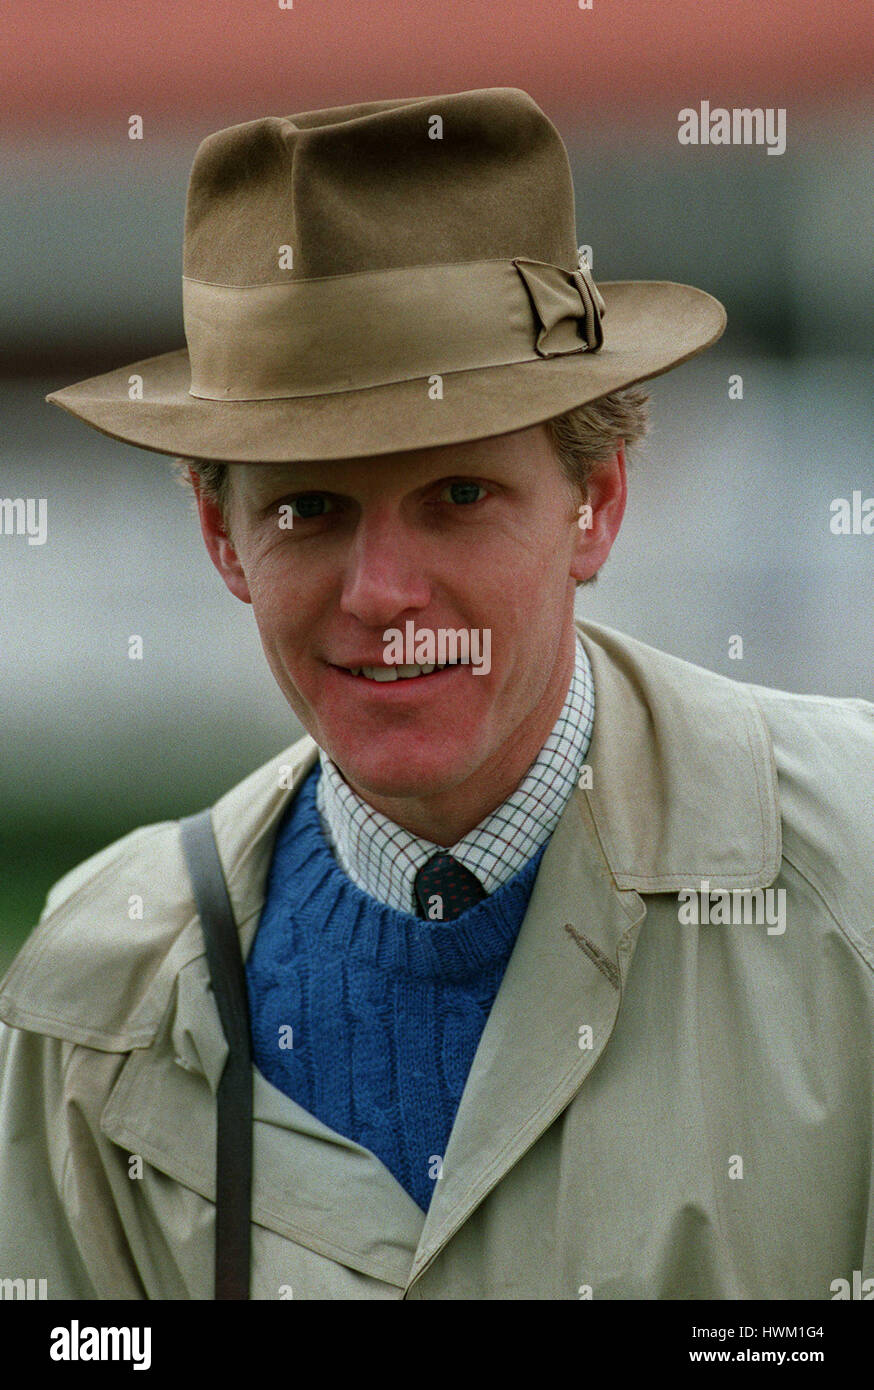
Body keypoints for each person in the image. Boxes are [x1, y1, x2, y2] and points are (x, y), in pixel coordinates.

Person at [1, 87, 872, 1302]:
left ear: (596, 500)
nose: (383, 591)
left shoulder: (855, 876)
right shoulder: (96, 991)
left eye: (459, 494)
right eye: (310, 506)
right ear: (221, 533)